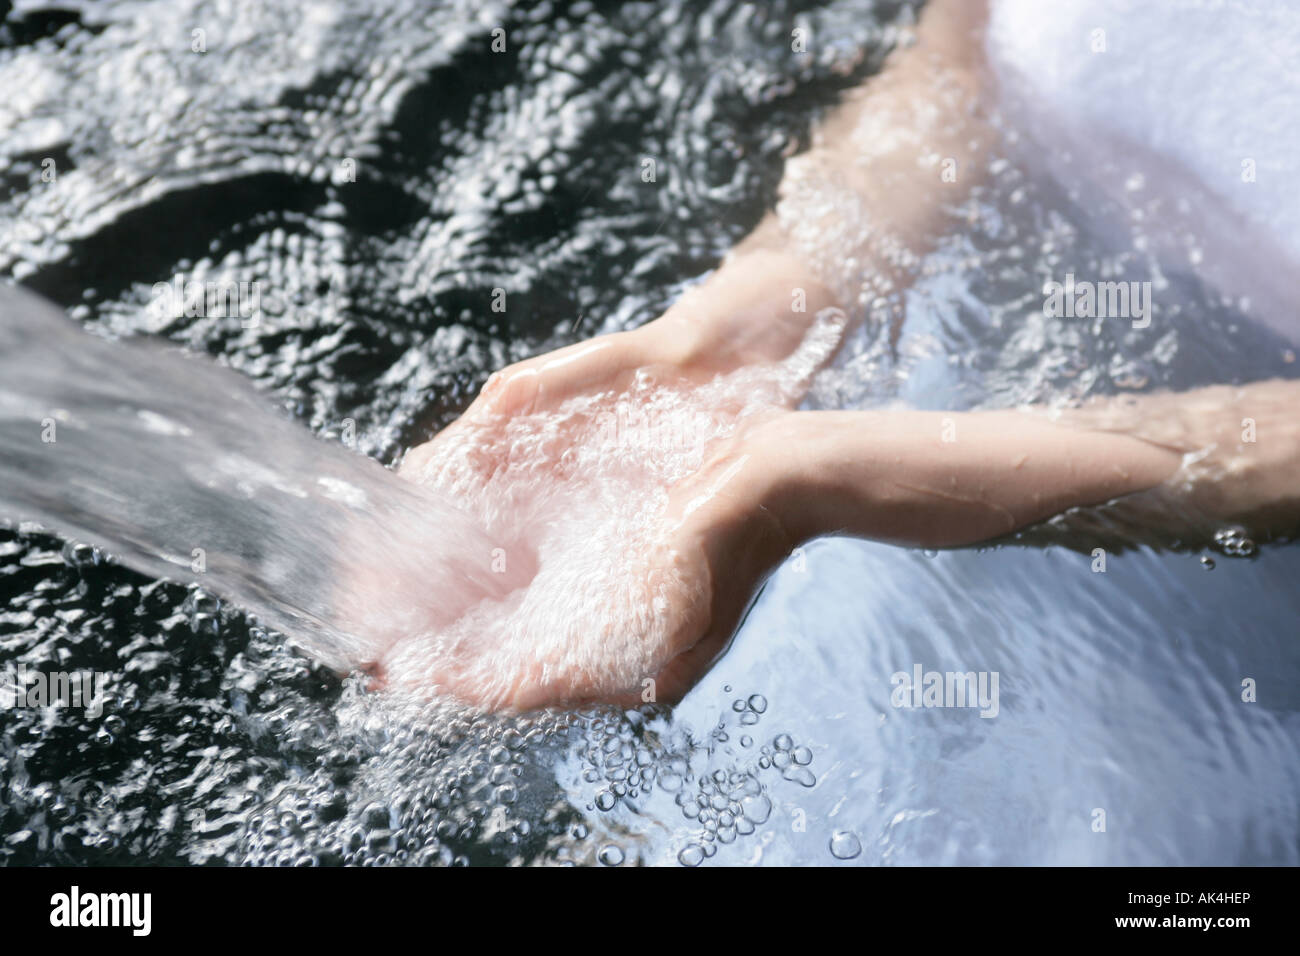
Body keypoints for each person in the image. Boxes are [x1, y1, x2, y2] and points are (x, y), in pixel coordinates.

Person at [391, 0, 1300, 709]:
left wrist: (822, 471)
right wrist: (743, 328)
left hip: (1198, 662)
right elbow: (962, 68)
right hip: (926, 441)